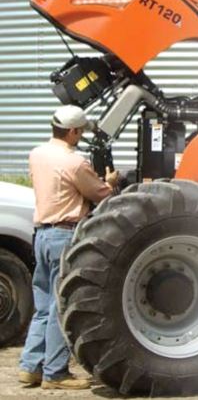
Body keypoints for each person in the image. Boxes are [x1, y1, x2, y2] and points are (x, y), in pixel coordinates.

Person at [17, 105, 118, 390]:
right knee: (61, 307)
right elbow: (99, 194)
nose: (81, 135)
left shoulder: (37, 154)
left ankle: (30, 367)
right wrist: (110, 182)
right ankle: (55, 373)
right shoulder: (74, 163)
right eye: (81, 131)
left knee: (44, 306)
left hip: (41, 235)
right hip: (63, 235)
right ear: (72, 131)